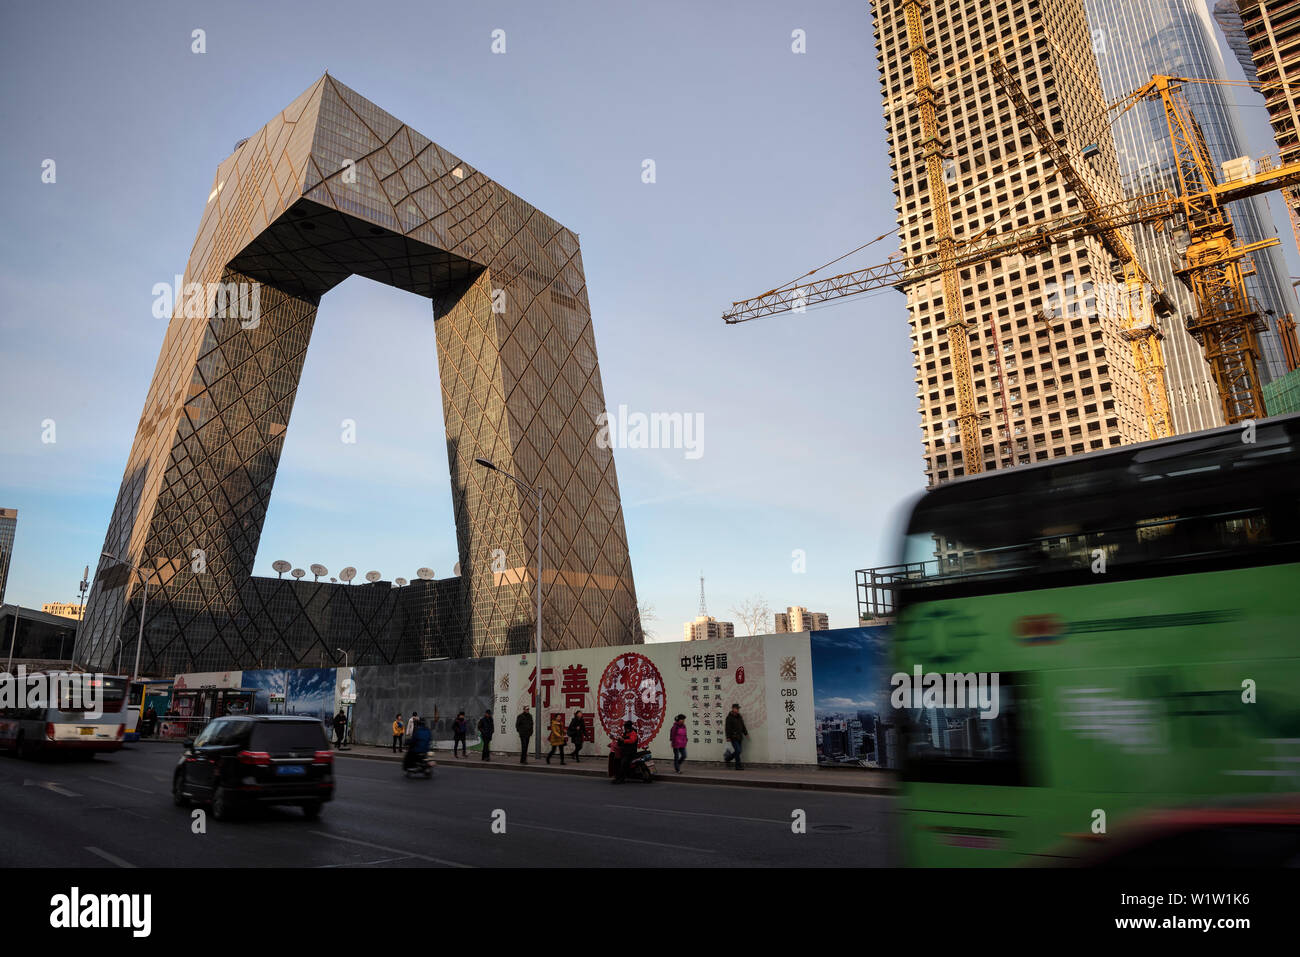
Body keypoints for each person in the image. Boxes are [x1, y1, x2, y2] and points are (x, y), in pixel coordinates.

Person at [724, 703, 748, 770]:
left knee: (739, 751)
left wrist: (746, 733)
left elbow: (742, 726)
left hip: (739, 736)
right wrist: (728, 737)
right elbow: (727, 728)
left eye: (738, 709)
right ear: (733, 709)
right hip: (733, 737)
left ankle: (728, 758)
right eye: (737, 708)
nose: (738, 710)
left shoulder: (739, 716)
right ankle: (738, 766)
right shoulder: (729, 717)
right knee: (738, 750)